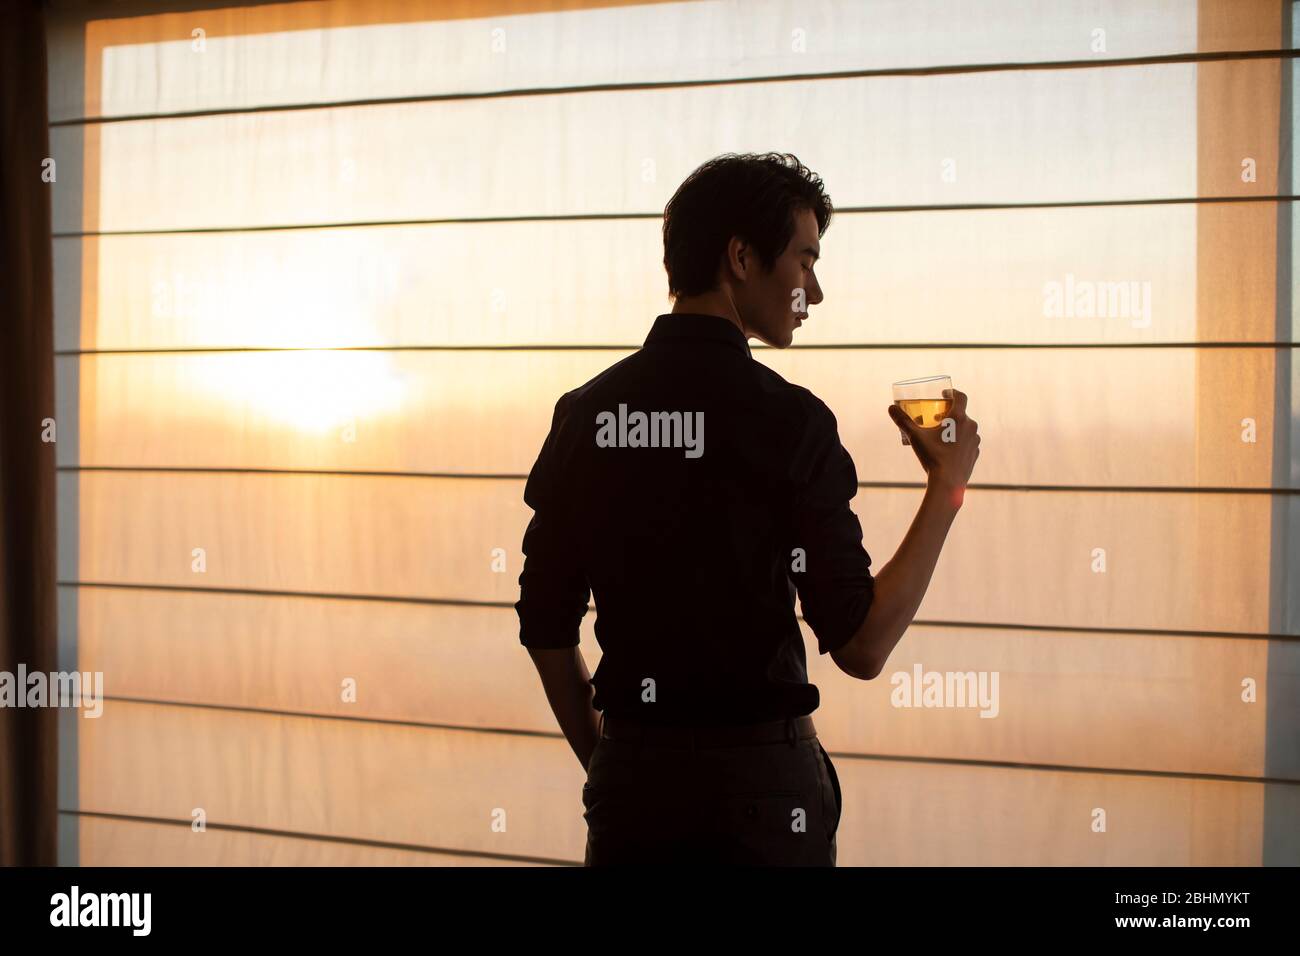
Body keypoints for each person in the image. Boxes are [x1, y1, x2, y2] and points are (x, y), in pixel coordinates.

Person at [514, 152, 980, 865]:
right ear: (740, 256)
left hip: (634, 790)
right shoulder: (790, 423)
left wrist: (613, 762)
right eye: (804, 260)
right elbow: (861, 645)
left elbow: (546, 624)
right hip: (766, 799)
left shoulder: (586, 416)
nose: (813, 291)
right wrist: (947, 485)